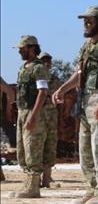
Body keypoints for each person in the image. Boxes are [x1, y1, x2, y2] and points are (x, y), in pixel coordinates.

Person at [52, 6, 98, 204]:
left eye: (89, 21)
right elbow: (79, 74)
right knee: (85, 149)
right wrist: (63, 89)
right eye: (84, 21)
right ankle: (91, 188)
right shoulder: (85, 47)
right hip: (84, 101)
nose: (85, 24)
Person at [9, 36, 50, 199]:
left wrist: (33, 116)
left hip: (34, 112)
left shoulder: (38, 68)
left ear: (32, 48)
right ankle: (27, 183)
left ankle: (34, 187)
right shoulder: (23, 68)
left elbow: (43, 92)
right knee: (22, 150)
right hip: (22, 111)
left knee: (33, 148)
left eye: (22, 48)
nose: (19, 51)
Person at [37, 52, 60, 188]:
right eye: (43, 60)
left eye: (48, 61)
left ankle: (47, 177)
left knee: (50, 146)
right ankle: (35, 179)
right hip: (38, 115)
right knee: (36, 146)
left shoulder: (55, 80)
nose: (46, 63)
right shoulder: (34, 78)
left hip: (51, 116)